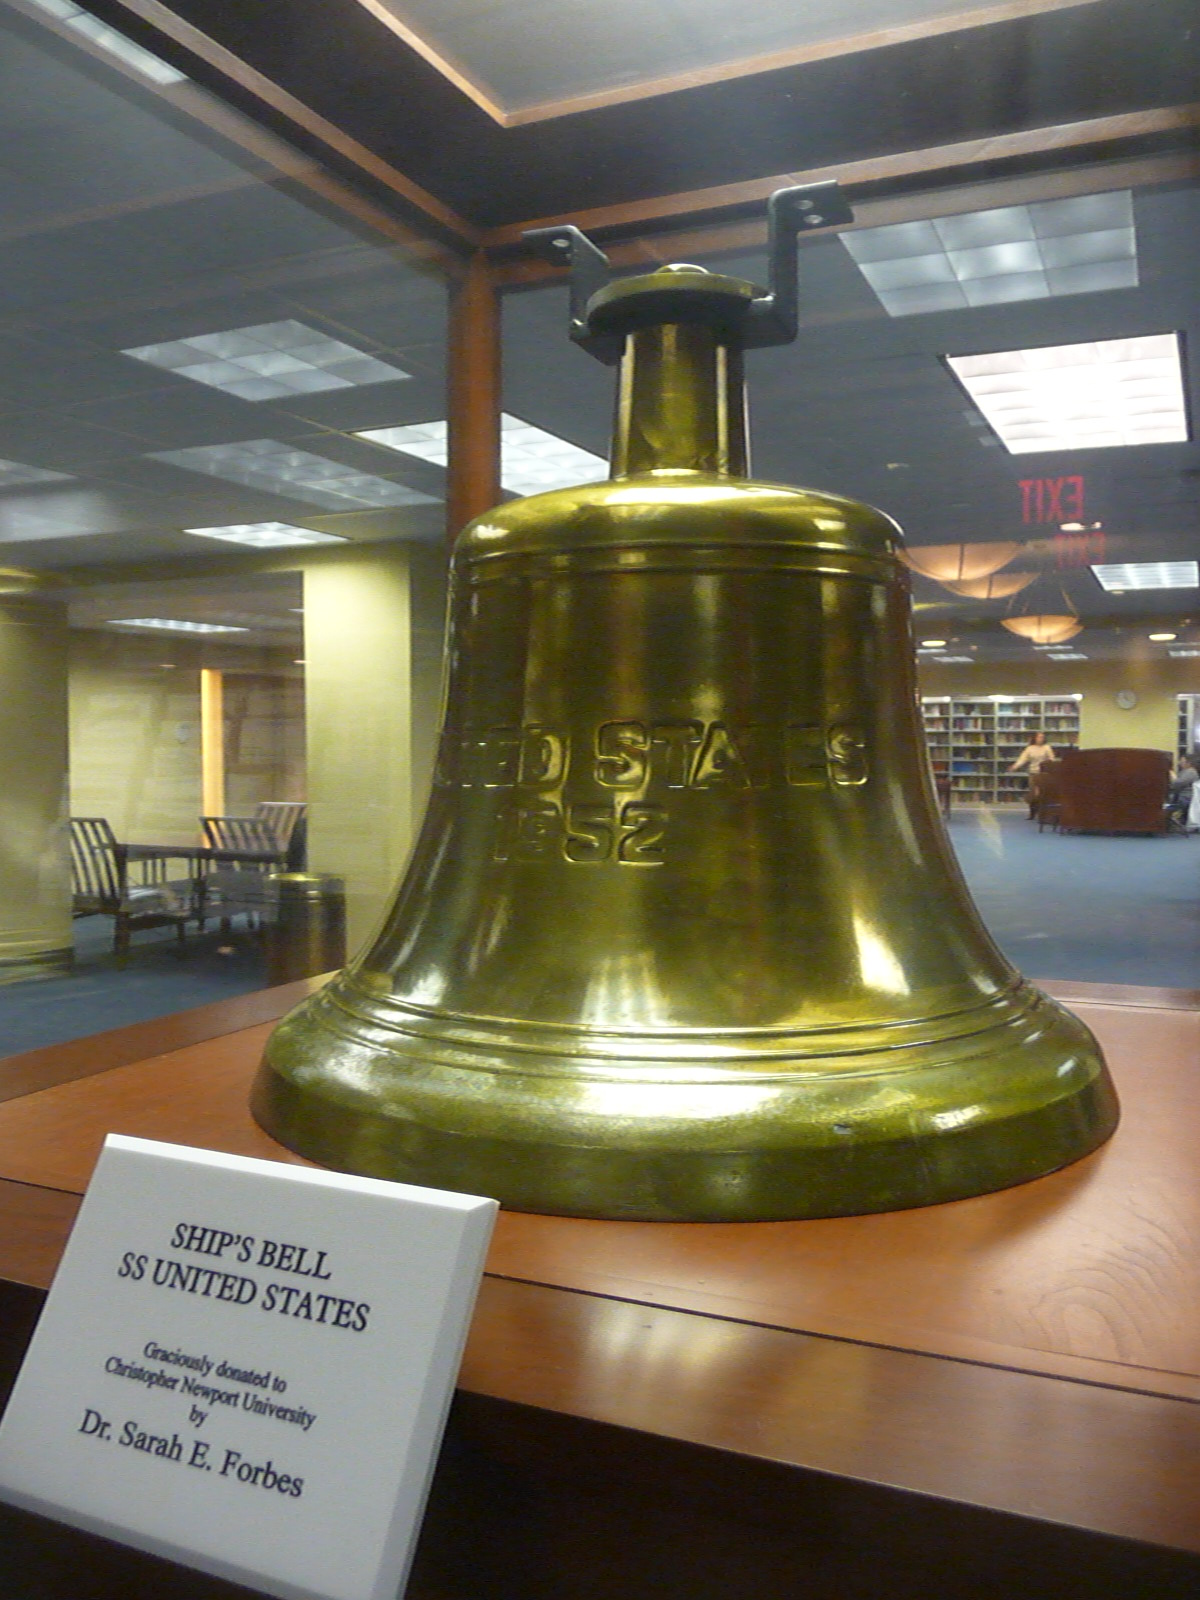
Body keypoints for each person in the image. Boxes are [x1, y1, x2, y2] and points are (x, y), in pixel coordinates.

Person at [1010, 731, 1058, 818]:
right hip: (1033, 773)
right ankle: (1032, 813)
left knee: (1042, 793)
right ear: (1034, 738)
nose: (1041, 739)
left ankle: (1042, 813)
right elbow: (1023, 759)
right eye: (1039, 737)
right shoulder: (1030, 748)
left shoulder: (1047, 748)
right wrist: (1015, 766)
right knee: (1033, 793)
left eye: (1042, 737)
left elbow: (1052, 759)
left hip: (1044, 774)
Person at [1167, 751, 1198, 826]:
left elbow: (1177, 783)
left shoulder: (1191, 772)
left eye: (1182, 761)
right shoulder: (1185, 772)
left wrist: (1171, 773)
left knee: (1162, 801)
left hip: (1185, 798)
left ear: (1189, 763)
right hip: (1182, 797)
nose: (1180, 763)